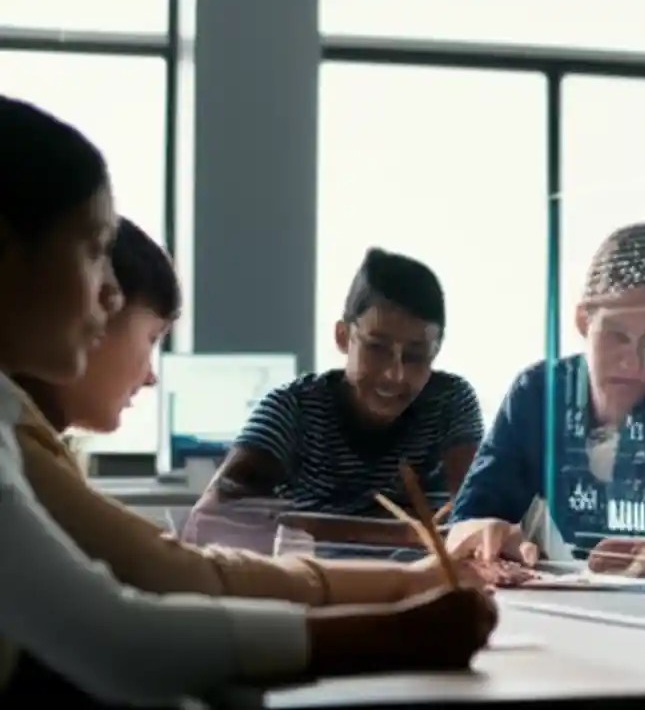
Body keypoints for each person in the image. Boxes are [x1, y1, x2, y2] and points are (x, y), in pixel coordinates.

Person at [0, 95, 493, 706]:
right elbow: (131, 624)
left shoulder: (13, 426)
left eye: (417, 355)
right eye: (93, 249)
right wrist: (396, 623)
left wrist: (405, 581)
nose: (108, 293)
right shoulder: (292, 406)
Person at [15, 218, 473, 606]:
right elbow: (182, 559)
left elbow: (165, 573)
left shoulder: (33, 444)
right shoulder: (17, 445)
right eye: (153, 339)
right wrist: (403, 579)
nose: (394, 375)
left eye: (415, 356)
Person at [446, 223, 645, 581]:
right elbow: (461, 527)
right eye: (616, 335)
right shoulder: (538, 392)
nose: (633, 362)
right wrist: (486, 533)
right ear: (583, 321)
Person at [187, 247, 484, 545]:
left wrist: (308, 524)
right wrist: (403, 533)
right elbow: (210, 517)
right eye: (377, 348)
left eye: (416, 356)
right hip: (316, 584)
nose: (395, 374)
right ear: (343, 337)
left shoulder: (450, 401)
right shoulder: (294, 408)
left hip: (427, 585)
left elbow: (478, 517)